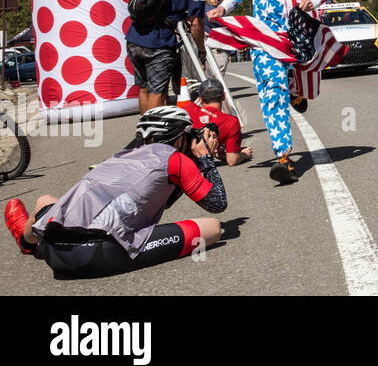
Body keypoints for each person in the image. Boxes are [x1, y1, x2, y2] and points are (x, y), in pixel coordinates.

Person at [5, 107, 226, 279]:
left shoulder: (124, 154)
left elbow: (162, 199)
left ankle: (28, 243)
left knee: (46, 200)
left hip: (54, 249)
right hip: (97, 255)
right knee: (213, 228)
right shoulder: (175, 159)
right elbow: (217, 203)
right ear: (180, 138)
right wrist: (205, 157)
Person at [209, 0, 336, 184]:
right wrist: (225, 7)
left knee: (300, 75)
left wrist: (313, 0)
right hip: (265, 34)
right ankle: (283, 157)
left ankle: (296, 93)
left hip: (299, 27)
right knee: (269, 87)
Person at [125, 0, 211, 115]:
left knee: (144, 88)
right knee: (157, 91)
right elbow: (195, 22)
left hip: (135, 36)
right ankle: (154, 137)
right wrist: (201, 49)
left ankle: (145, 131)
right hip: (161, 42)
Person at [181, 79, 252, 166]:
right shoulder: (231, 121)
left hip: (173, 159)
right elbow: (232, 160)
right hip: (193, 165)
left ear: (200, 99)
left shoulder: (187, 107)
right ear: (224, 96)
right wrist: (243, 155)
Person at [203, 0, 231, 77]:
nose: (220, 2)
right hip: (218, 43)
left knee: (210, 67)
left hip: (206, 42)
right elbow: (225, 27)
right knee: (220, 67)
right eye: (219, 0)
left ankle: (210, 86)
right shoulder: (214, 12)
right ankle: (216, 87)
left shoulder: (202, 10)